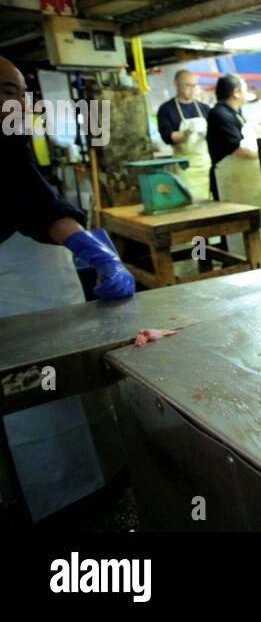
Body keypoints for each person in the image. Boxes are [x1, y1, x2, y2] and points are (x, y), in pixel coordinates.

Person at [1, 55, 135, 520]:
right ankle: (58, 503)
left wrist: (89, 248)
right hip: (10, 289)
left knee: (76, 383)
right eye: (4, 90)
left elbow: (28, 193)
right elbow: (26, 197)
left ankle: (100, 486)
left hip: (37, 277)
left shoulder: (13, 130)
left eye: (19, 90)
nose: (14, 100)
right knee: (28, 401)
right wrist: (90, 248)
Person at [206, 74, 261, 265]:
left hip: (246, 188)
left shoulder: (235, 113)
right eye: (245, 89)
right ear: (236, 92)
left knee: (254, 228)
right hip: (231, 185)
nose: (247, 93)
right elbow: (239, 150)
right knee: (234, 231)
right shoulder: (220, 114)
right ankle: (236, 265)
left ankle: (255, 264)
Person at [156, 69, 213, 201]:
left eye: (194, 86)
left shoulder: (204, 108)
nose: (191, 89)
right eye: (187, 85)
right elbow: (167, 137)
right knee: (190, 201)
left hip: (206, 164)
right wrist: (186, 134)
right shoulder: (167, 109)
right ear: (176, 84)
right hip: (185, 167)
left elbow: (215, 134)